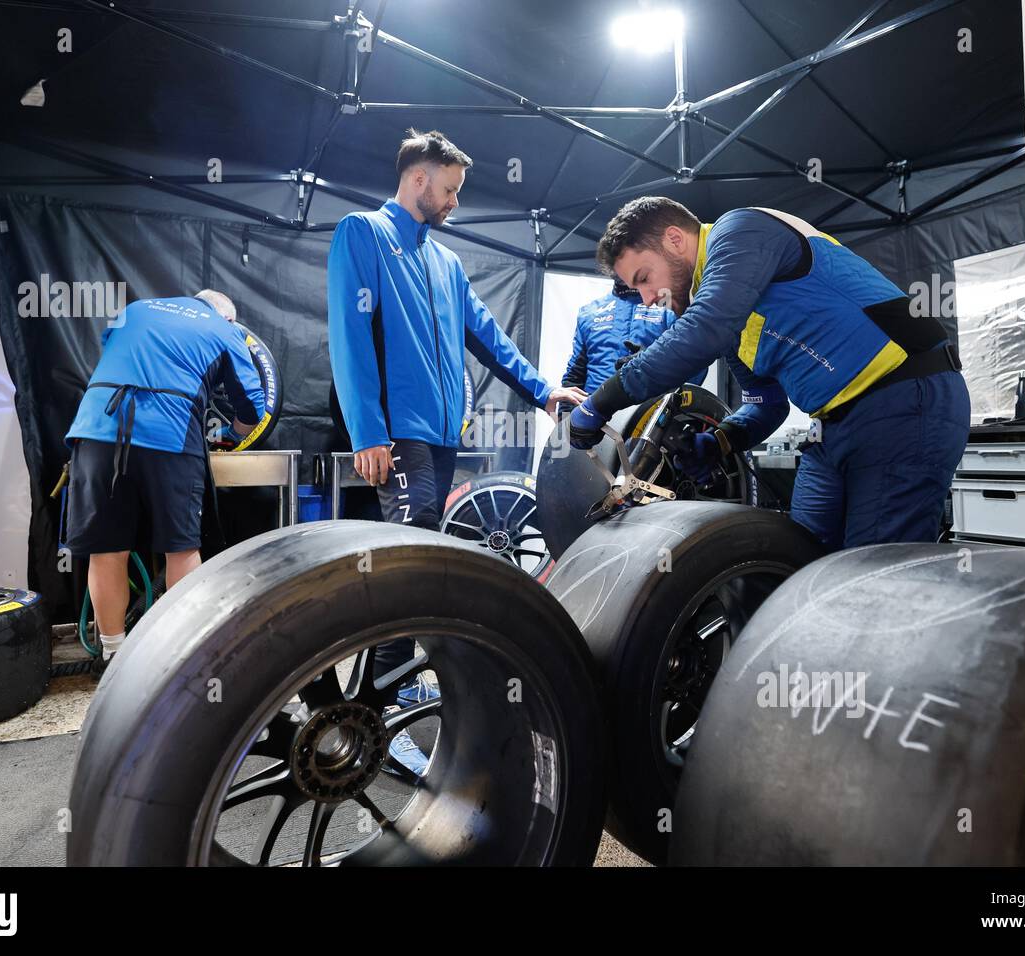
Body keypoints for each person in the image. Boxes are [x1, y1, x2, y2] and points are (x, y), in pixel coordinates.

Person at [327, 129, 585, 774]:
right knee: (408, 566)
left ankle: (392, 696)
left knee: (417, 563)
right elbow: (349, 334)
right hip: (398, 433)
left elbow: (489, 336)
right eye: (449, 191)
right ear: (418, 178)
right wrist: (368, 434)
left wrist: (543, 390)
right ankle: (376, 723)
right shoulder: (364, 234)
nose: (453, 203)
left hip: (442, 435)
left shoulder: (444, 262)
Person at [570, 198, 970, 551]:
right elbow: (766, 405)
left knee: (872, 574)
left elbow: (702, 331)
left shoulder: (741, 230)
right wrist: (720, 440)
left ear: (675, 240)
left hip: (908, 397)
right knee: (798, 560)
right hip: (832, 427)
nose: (646, 298)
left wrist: (601, 400)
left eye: (643, 278)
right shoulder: (732, 314)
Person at [64, 291, 265, 662]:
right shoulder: (225, 330)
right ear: (230, 318)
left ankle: (113, 657)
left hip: (97, 430)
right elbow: (253, 403)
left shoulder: (135, 310)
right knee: (182, 547)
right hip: (169, 433)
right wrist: (235, 433)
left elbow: (113, 348)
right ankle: (181, 657)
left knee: (107, 550)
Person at [561, 277, 705, 396]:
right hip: (595, 417)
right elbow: (574, 377)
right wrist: (564, 426)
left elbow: (695, 368)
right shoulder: (590, 311)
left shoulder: (670, 305)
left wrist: (653, 363)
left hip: (652, 419)